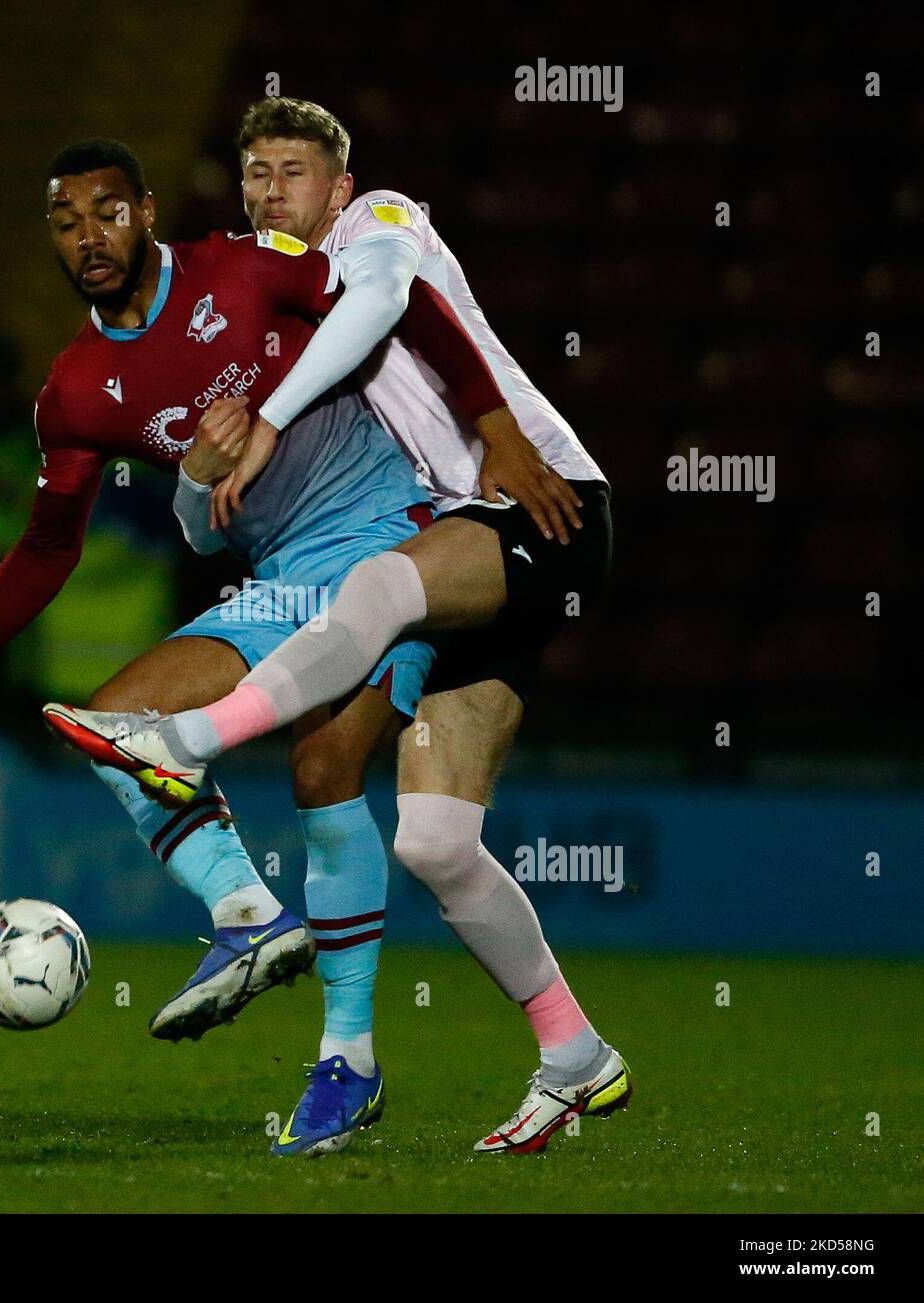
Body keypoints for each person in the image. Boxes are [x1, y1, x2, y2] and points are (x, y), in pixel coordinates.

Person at [0, 136, 510, 1155]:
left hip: (395, 533)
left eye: (107, 210)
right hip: (280, 569)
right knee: (114, 724)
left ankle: (346, 1060)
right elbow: (47, 545)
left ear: (146, 210)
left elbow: (405, 300)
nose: (89, 235)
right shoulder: (76, 390)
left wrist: (494, 426)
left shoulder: (241, 265)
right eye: (66, 219)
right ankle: (249, 914)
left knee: (324, 769)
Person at [44, 99, 632, 1156]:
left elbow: (383, 300)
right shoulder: (278, 306)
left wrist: (285, 422)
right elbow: (203, 506)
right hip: (467, 540)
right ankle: (575, 1057)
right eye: (256, 174)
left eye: (296, 172)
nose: (274, 192)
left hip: (541, 500)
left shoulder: (380, 228)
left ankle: (189, 745)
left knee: (377, 592)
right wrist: (202, 471)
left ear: (340, 185)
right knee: (436, 842)